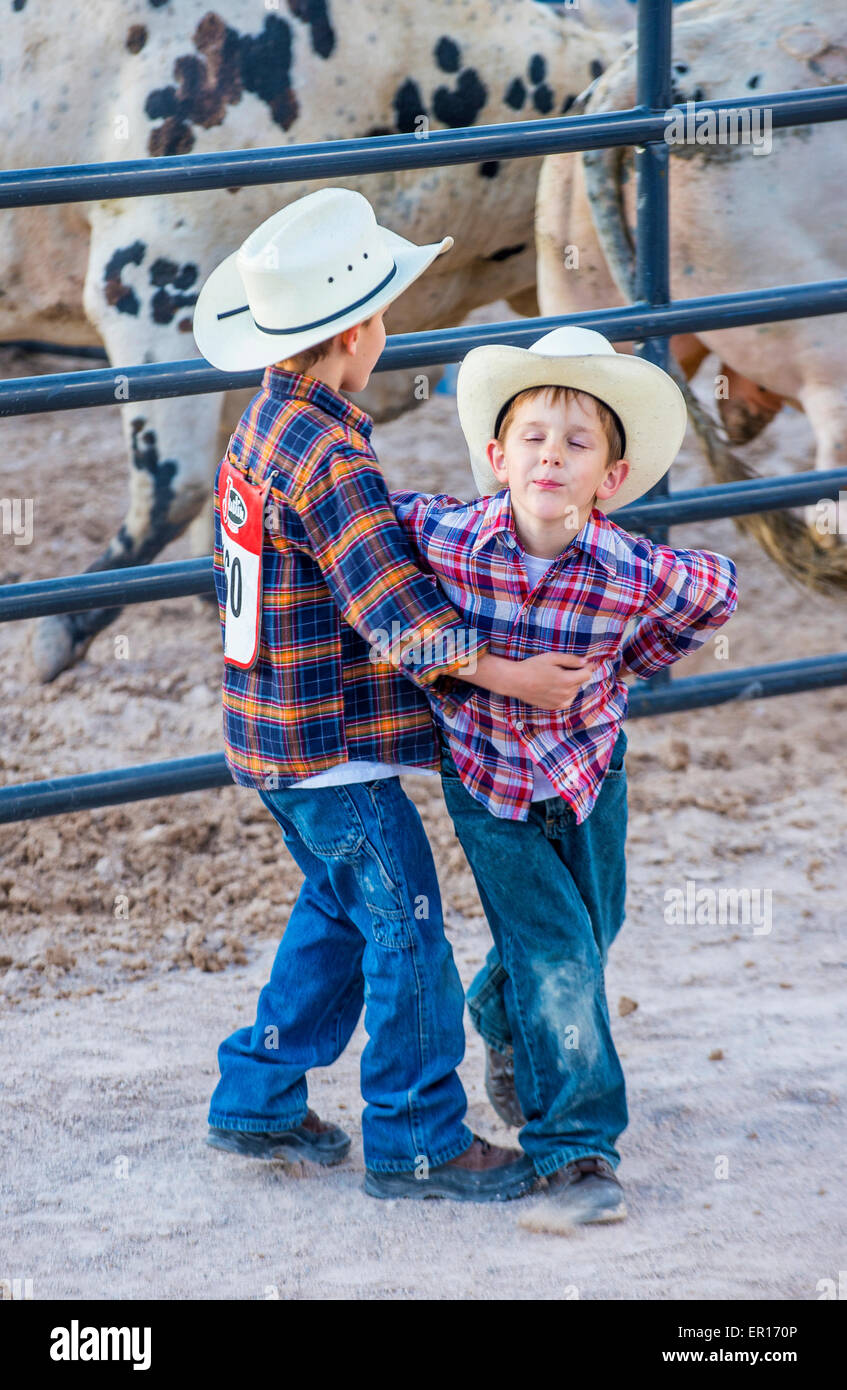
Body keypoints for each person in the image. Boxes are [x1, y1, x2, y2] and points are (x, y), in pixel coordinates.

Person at [191, 187, 592, 1202]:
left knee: (341, 907)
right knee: (408, 921)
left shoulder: (270, 422)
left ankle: (258, 1091)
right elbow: (396, 613)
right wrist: (512, 674)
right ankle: (416, 1137)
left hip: (275, 732)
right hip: (333, 750)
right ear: (359, 331)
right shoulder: (332, 455)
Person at [391, 324, 739, 1223]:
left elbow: (717, 588)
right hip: (489, 787)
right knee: (557, 957)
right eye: (534, 439)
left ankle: (500, 1018)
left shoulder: (629, 569)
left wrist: (625, 666)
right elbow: (377, 574)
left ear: (610, 480)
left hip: (590, 777)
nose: (552, 455)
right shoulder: (448, 536)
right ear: (497, 457)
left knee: (594, 932)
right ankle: (576, 1155)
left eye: (578, 443)